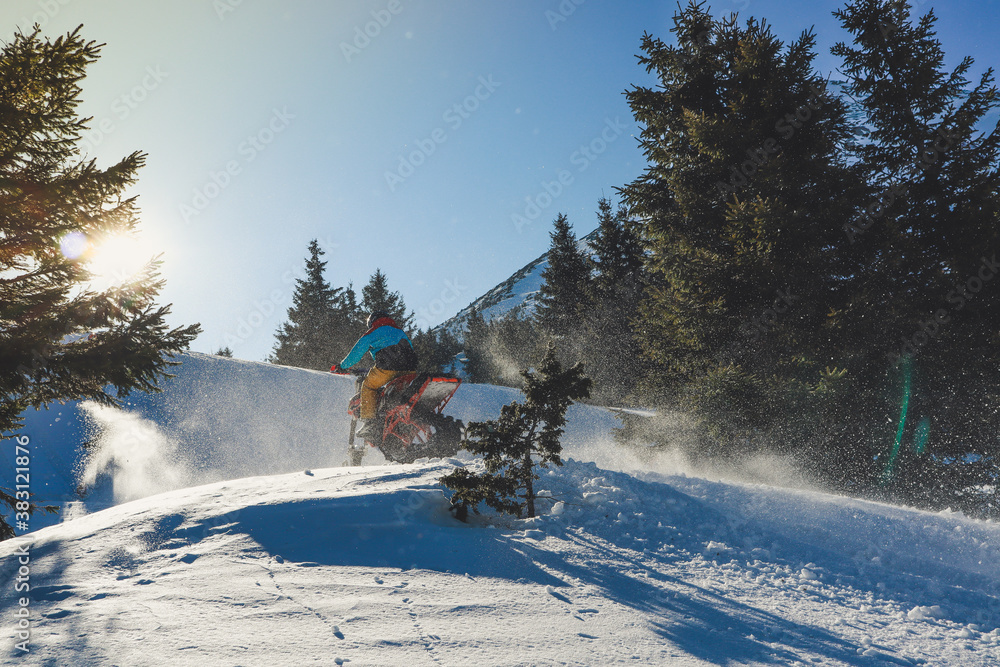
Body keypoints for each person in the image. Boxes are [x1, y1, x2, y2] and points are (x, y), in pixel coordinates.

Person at [335, 311, 418, 439]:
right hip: (409, 370)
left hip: (388, 369)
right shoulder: (399, 331)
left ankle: (370, 422)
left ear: (372, 321)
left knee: (368, 386)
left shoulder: (374, 331)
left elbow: (357, 352)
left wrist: (342, 366)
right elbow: (411, 348)